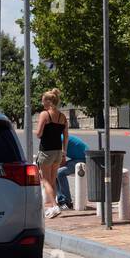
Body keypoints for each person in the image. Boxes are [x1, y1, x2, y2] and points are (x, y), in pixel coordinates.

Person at [34, 89, 68, 218]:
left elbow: (38, 133)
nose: (42, 102)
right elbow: (66, 136)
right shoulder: (62, 116)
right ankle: (52, 208)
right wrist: (65, 151)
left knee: (45, 180)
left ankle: (54, 206)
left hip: (46, 151)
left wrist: (39, 133)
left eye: (43, 100)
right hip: (58, 151)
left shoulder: (44, 114)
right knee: (52, 180)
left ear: (48, 101)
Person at [55, 132, 89, 211]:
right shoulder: (58, 138)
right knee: (55, 173)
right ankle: (61, 200)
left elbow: (62, 161)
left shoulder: (59, 140)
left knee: (59, 173)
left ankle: (67, 202)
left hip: (84, 159)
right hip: (77, 159)